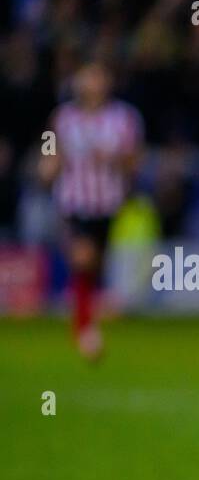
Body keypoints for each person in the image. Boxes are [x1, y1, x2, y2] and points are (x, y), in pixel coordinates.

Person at [39, 63, 143, 360]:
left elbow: (135, 161)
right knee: (82, 258)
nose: (94, 83)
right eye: (88, 76)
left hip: (108, 203)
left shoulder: (125, 118)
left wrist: (113, 159)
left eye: (99, 76)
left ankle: (85, 320)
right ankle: (84, 330)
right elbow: (50, 149)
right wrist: (48, 166)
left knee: (93, 265)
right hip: (73, 201)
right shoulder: (63, 118)